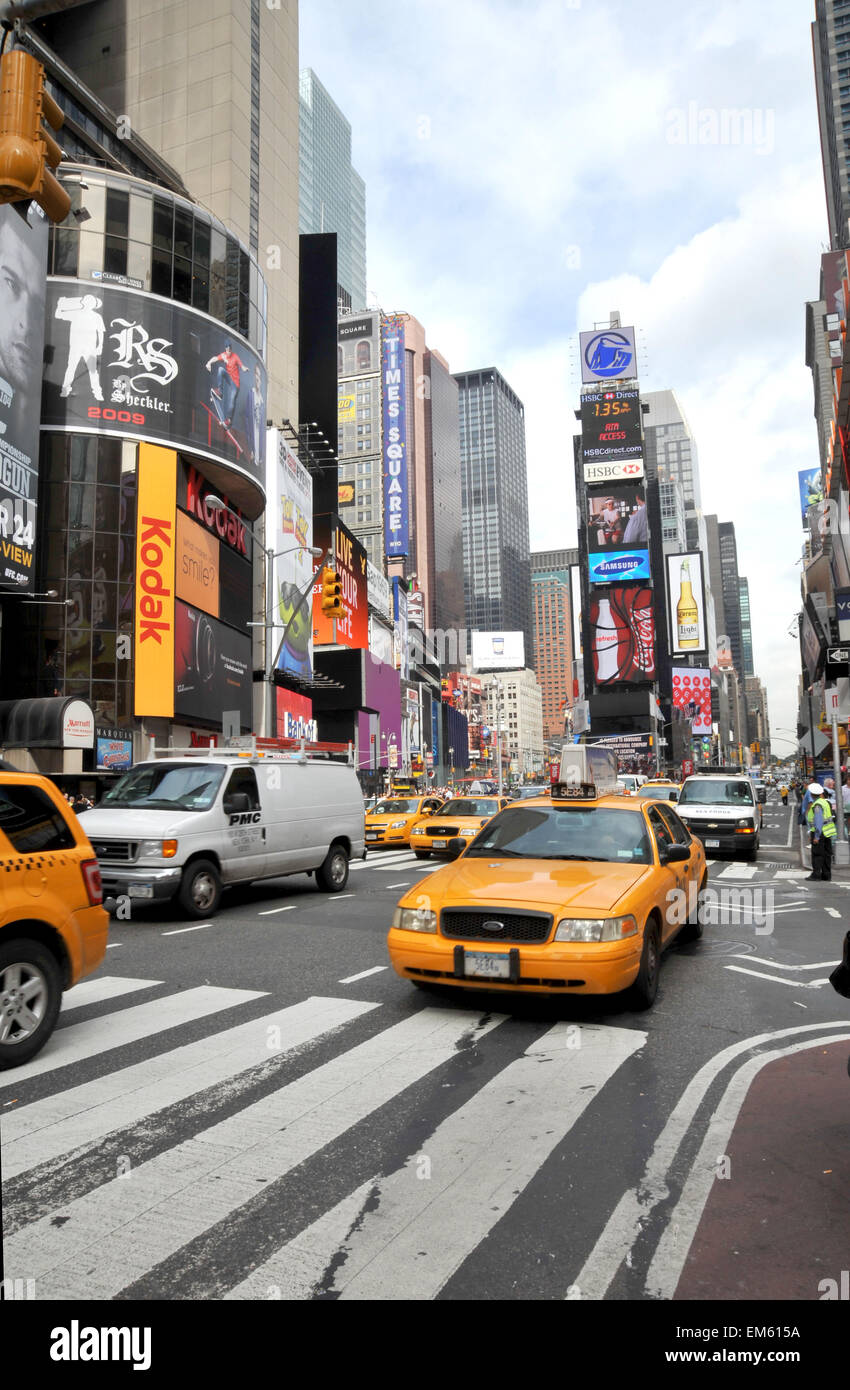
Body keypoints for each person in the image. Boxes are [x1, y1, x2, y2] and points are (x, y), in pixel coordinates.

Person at [205, 342, 248, 428]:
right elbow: (215, 358)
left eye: (229, 350)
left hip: (235, 384)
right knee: (221, 369)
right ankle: (220, 392)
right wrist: (209, 363)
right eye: (227, 350)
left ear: (231, 349)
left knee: (232, 400)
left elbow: (241, 365)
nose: (228, 352)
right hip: (229, 378)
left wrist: (244, 368)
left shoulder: (235, 357)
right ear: (225, 349)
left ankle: (229, 420)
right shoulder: (224, 355)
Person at [806, 783, 836, 880]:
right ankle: (826, 875)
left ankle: (816, 875)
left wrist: (816, 837)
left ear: (812, 794)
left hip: (820, 832)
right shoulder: (825, 802)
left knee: (817, 854)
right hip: (828, 832)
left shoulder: (817, 805)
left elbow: (818, 822)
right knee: (827, 854)